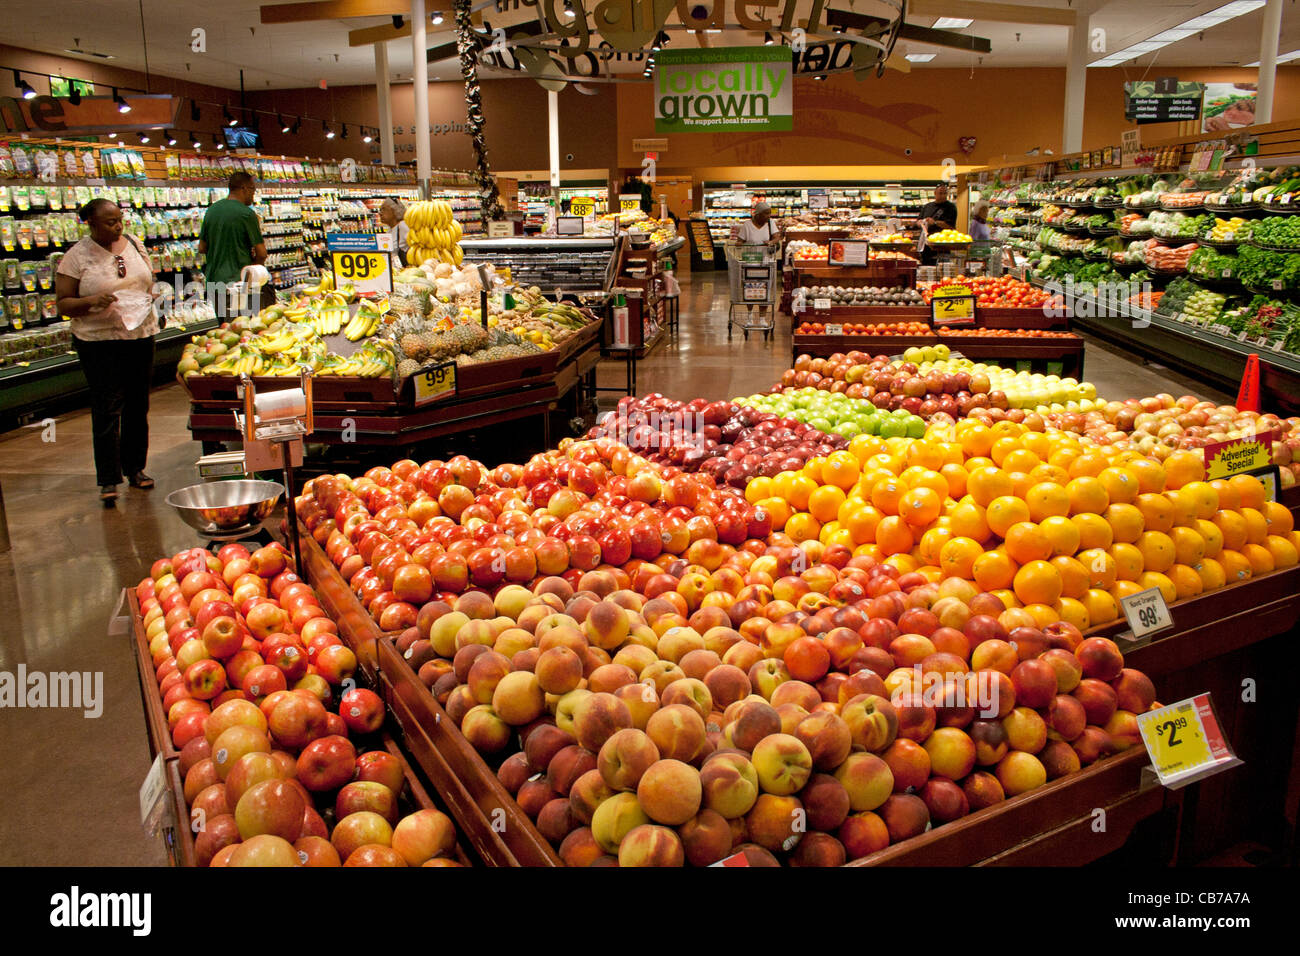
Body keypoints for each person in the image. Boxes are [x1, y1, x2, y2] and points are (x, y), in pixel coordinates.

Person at [55, 198, 160, 502]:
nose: (118, 226)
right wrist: (90, 302)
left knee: (138, 403)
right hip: (97, 341)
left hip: (139, 333)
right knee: (106, 406)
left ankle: (136, 467)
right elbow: (63, 303)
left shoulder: (135, 244)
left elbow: (146, 282)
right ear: (91, 223)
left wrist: (149, 299)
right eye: (110, 221)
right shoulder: (76, 257)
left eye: (119, 219)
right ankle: (108, 478)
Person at [199, 171, 267, 308]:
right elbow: (262, 254)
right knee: (243, 325)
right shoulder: (246, 214)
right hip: (239, 284)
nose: (254, 193)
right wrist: (253, 274)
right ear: (244, 188)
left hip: (215, 282)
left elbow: (202, 248)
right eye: (253, 189)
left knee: (224, 327)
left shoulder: (212, 210)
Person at [917, 182, 958, 265]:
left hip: (942, 246)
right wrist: (921, 223)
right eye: (940, 193)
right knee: (926, 268)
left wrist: (935, 222)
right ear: (935, 193)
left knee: (942, 269)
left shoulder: (951, 207)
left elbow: (950, 226)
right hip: (926, 245)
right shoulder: (927, 206)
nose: (943, 195)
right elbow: (918, 221)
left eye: (945, 193)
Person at [379, 198, 409, 266]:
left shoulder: (403, 226)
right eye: (380, 210)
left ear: (395, 211)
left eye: (384, 209)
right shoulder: (389, 230)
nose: (380, 213)